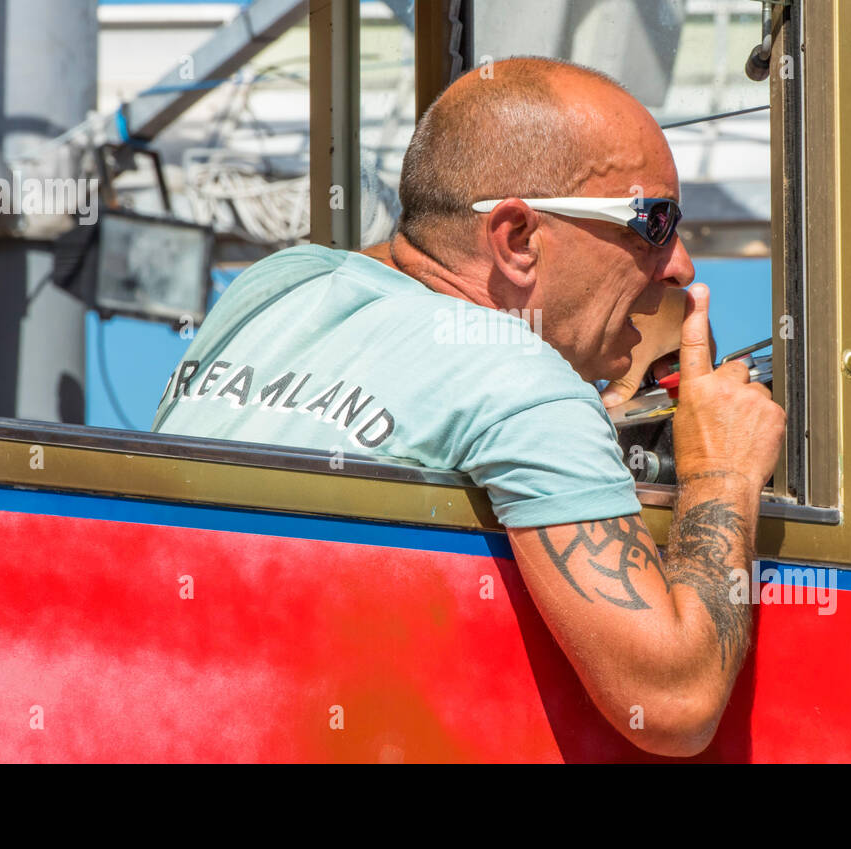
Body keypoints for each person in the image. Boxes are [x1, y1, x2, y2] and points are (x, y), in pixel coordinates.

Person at [152, 56, 786, 756]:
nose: (680, 265)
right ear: (517, 240)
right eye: (654, 222)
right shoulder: (519, 376)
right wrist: (720, 472)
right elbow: (675, 700)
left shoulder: (277, 285)